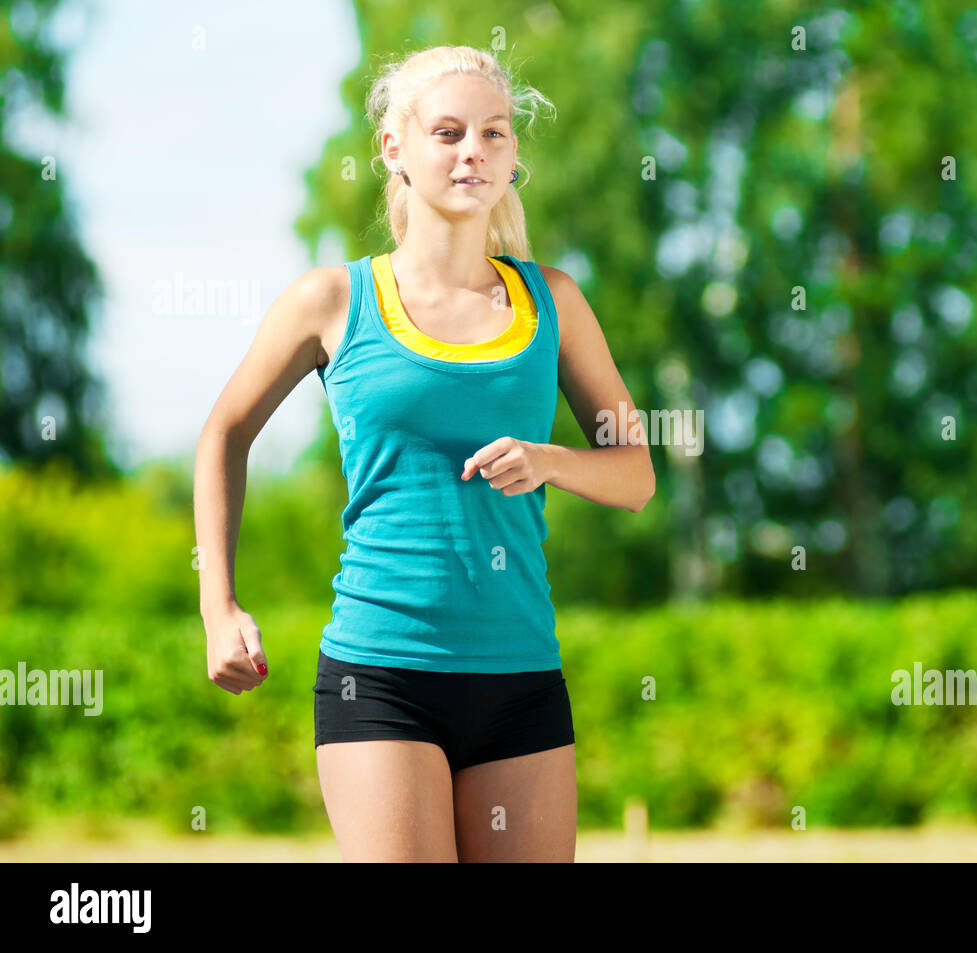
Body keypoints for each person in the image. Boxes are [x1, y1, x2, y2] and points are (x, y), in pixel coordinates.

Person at [194, 45, 655, 861]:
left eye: (494, 134)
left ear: (513, 156)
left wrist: (551, 460)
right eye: (447, 132)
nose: (473, 150)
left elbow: (635, 475)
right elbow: (224, 433)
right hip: (379, 677)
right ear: (394, 147)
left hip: (522, 680)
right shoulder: (334, 301)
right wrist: (218, 606)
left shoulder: (556, 302)